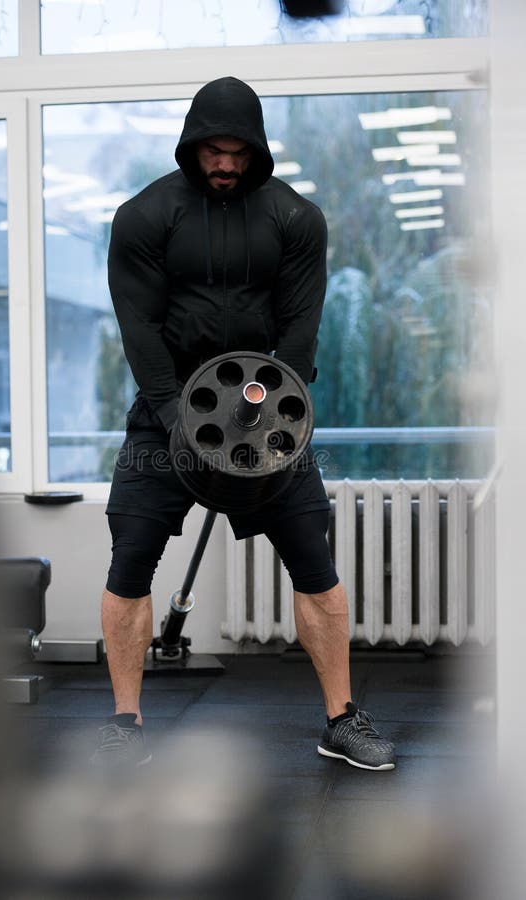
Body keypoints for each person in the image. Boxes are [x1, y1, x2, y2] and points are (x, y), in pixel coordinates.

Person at [93, 76, 395, 772]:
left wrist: (261, 422)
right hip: (164, 418)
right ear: (192, 147)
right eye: (212, 152)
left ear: (255, 151)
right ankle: (124, 725)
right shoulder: (143, 217)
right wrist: (179, 423)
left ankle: (340, 720)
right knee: (129, 562)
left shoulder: (294, 219)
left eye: (236, 153)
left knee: (315, 569)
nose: (224, 165)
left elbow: (298, 331)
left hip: (264, 421)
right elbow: (137, 327)